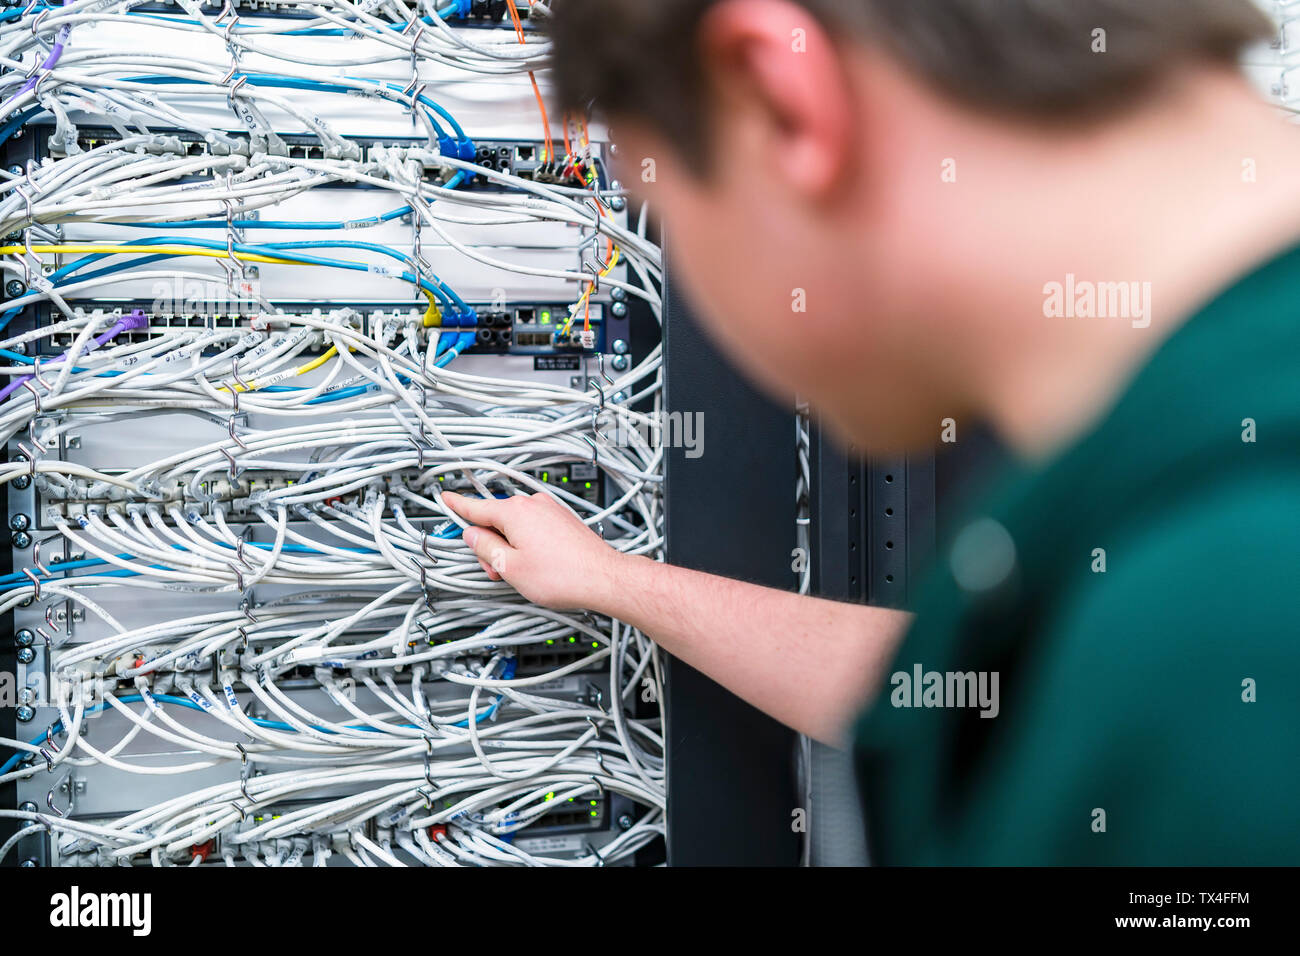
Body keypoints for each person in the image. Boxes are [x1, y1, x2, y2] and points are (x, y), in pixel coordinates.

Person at [443, 0, 1300, 864]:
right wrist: (609, 580)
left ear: (778, 99)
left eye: (661, 209)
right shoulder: (1178, 526)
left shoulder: (1219, 608)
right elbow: (966, 688)